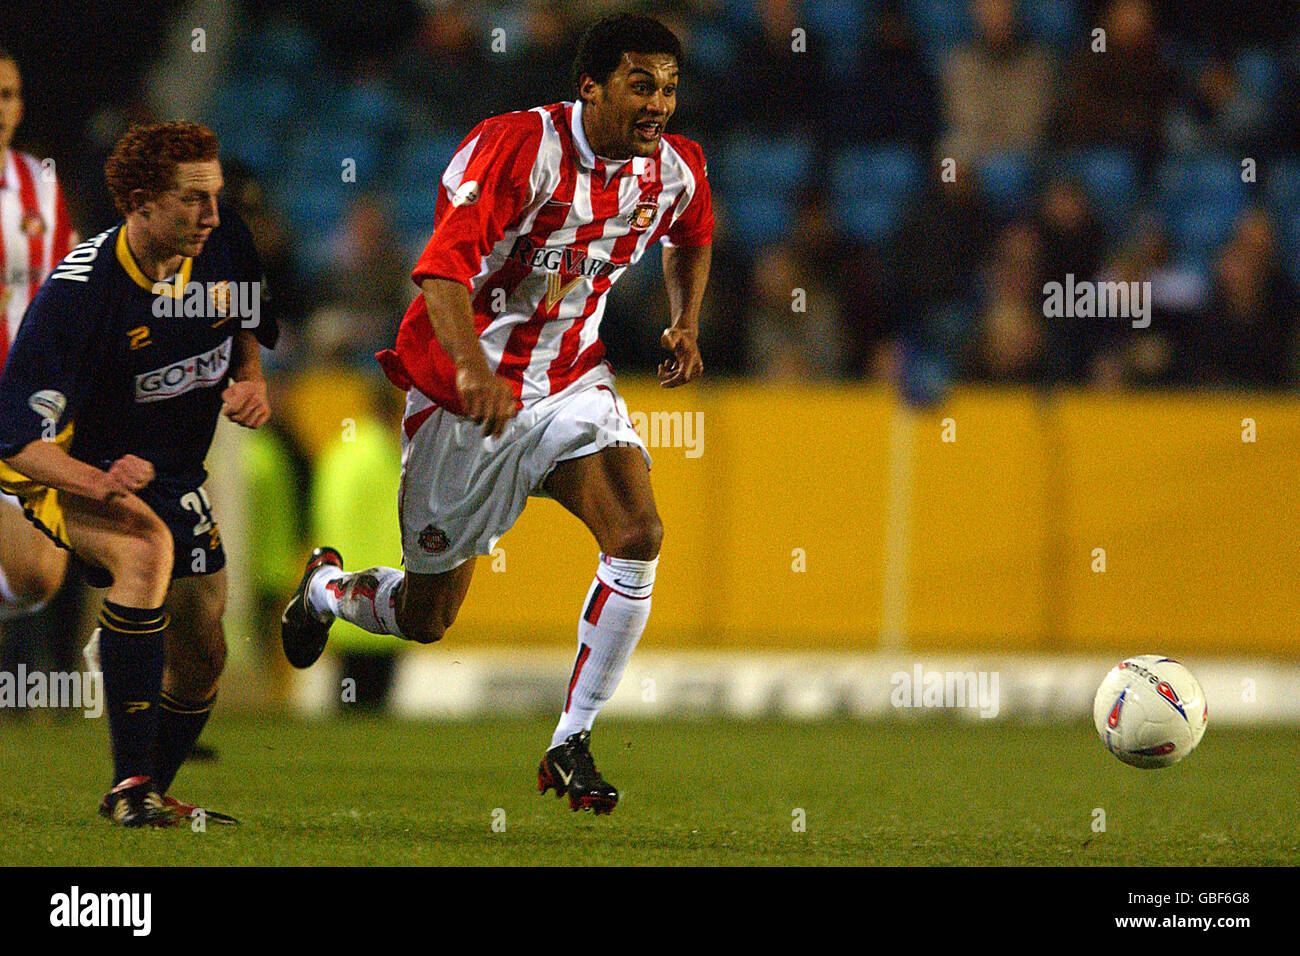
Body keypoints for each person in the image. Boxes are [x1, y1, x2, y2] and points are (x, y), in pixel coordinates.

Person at [282, 13, 712, 815]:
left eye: (669, 87)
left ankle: (570, 740)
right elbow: (441, 271)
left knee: (638, 532)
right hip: (460, 398)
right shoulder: (519, 147)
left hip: (572, 383)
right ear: (590, 86)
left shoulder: (675, 171)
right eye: (640, 84)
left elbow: (692, 234)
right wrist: (475, 369)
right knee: (426, 614)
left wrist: (685, 320)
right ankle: (326, 591)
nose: (658, 103)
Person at [0, 121, 276, 826]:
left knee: (205, 649)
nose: (213, 215)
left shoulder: (225, 246)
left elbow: (245, 325)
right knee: (144, 550)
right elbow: (14, 437)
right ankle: (131, 788)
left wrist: (250, 379)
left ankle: (151, 785)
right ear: (141, 202)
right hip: (71, 467)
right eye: (193, 200)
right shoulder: (80, 294)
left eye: (215, 198)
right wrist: (94, 482)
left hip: (175, 471)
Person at [0, 45, 76, 620]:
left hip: (26, 401)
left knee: (37, 580)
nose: (1, 107)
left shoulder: (41, 187)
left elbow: (65, 287)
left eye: (8, 94)